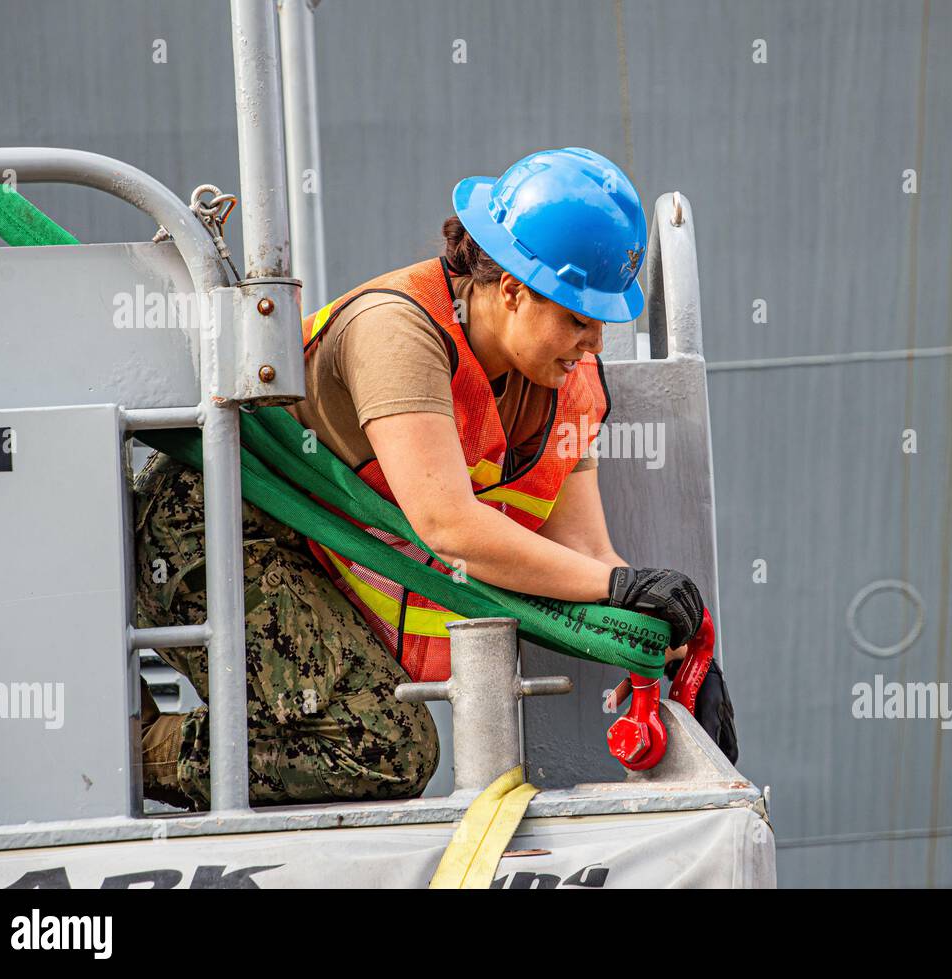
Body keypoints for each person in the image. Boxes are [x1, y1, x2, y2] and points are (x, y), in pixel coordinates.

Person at [134, 147, 734, 810]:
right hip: (217, 523)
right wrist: (623, 588)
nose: (593, 346)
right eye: (578, 321)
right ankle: (142, 750)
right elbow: (447, 523)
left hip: (315, 549)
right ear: (511, 288)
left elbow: (588, 556)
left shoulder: (565, 381)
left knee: (376, 739)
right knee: (381, 744)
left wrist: (665, 641)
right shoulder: (399, 331)